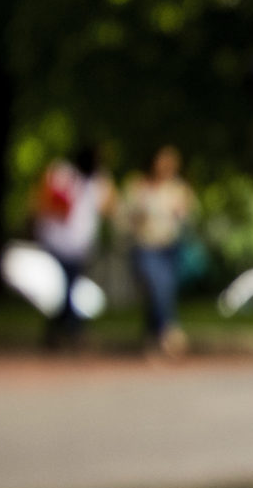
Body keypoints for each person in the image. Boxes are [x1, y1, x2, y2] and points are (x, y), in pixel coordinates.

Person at [33, 143, 115, 349]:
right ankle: (71, 330)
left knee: (69, 289)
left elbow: (107, 207)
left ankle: (59, 331)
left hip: (80, 246)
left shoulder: (96, 181)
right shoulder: (63, 173)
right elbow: (50, 202)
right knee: (63, 288)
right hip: (56, 242)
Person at [119, 145, 197, 358]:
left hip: (170, 247)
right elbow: (124, 218)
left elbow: (189, 217)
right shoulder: (138, 187)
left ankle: (152, 336)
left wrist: (182, 212)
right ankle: (169, 330)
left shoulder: (178, 188)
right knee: (158, 286)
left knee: (163, 290)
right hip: (146, 246)